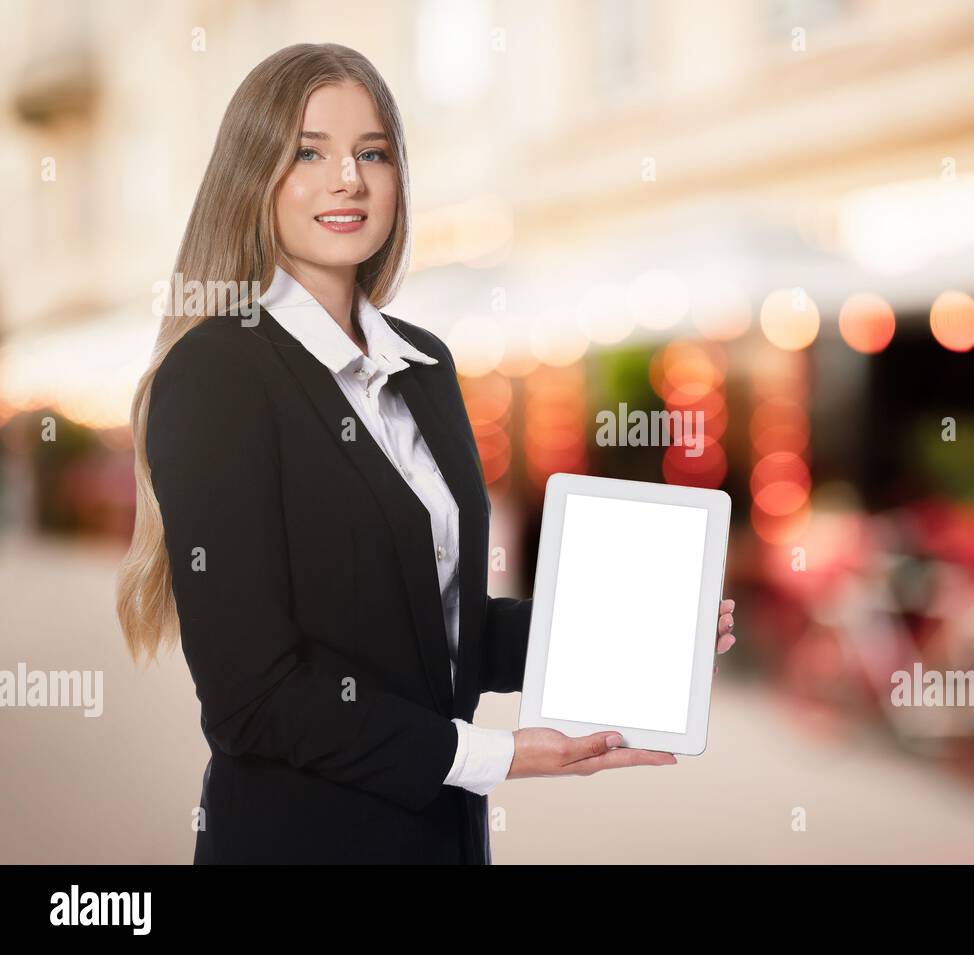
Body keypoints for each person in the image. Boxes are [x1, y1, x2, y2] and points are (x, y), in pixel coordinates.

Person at [114, 43, 739, 864]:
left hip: (442, 839)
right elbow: (251, 699)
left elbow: (443, 630)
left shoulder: (426, 364)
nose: (349, 178)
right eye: (309, 152)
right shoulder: (219, 374)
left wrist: (631, 633)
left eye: (372, 152)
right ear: (251, 175)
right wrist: (496, 755)